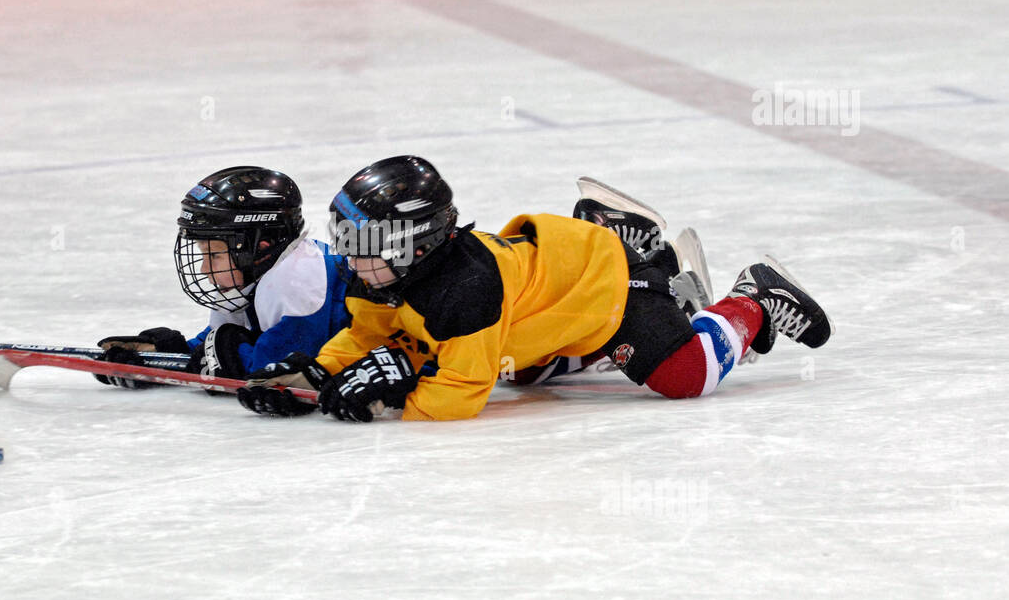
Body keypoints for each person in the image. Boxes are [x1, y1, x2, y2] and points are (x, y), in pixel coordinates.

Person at [237, 155, 832, 422]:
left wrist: (388, 399)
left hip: (599, 284)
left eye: (361, 243)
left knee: (685, 377)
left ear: (414, 243)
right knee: (523, 376)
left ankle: (753, 297)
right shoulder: (381, 274)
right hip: (541, 303)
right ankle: (619, 232)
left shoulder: (465, 292)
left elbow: (459, 397)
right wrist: (317, 372)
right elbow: (366, 336)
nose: (347, 256)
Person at [95, 166, 351, 388]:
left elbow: (278, 369)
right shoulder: (257, 272)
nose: (205, 269)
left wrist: (221, 355)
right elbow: (225, 339)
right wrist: (168, 356)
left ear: (258, 248)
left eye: (214, 255)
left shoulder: (298, 276)